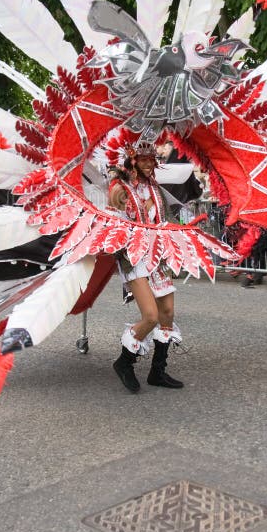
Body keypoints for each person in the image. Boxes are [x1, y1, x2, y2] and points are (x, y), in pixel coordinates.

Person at [108, 144, 182, 393]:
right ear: (132, 161)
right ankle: (124, 362)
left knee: (168, 313)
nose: (150, 164)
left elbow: (168, 219)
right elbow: (112, 227)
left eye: (152, 159)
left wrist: (180, 238)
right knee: (151, 316)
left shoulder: (155, 189)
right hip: (133, 259)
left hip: (157, 256)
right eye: (144, 160)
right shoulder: (120, 190)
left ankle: (157, 371)